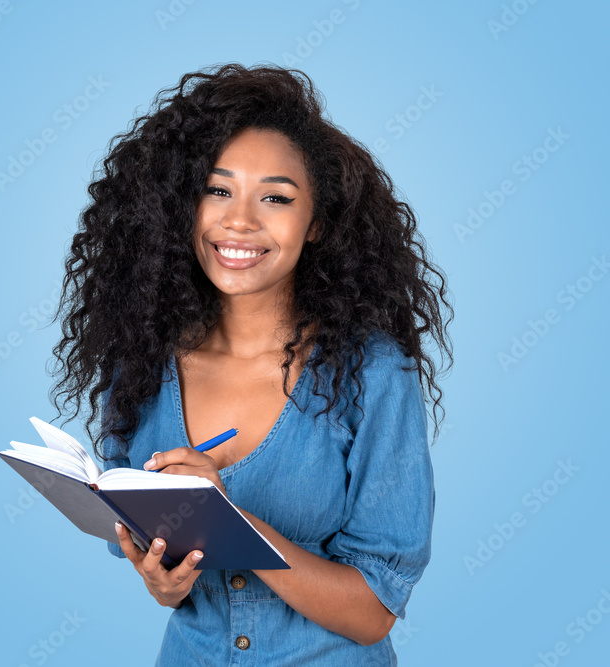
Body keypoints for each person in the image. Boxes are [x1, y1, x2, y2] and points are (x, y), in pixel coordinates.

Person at [49, 63, 453, 666]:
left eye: (276, 197)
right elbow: (163, 574)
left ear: (316, 224)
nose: (239, 220)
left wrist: (230, 523)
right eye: (217, 191)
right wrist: (165, 581)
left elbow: (372, 614)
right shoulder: (140, 361)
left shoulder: (372, 374)